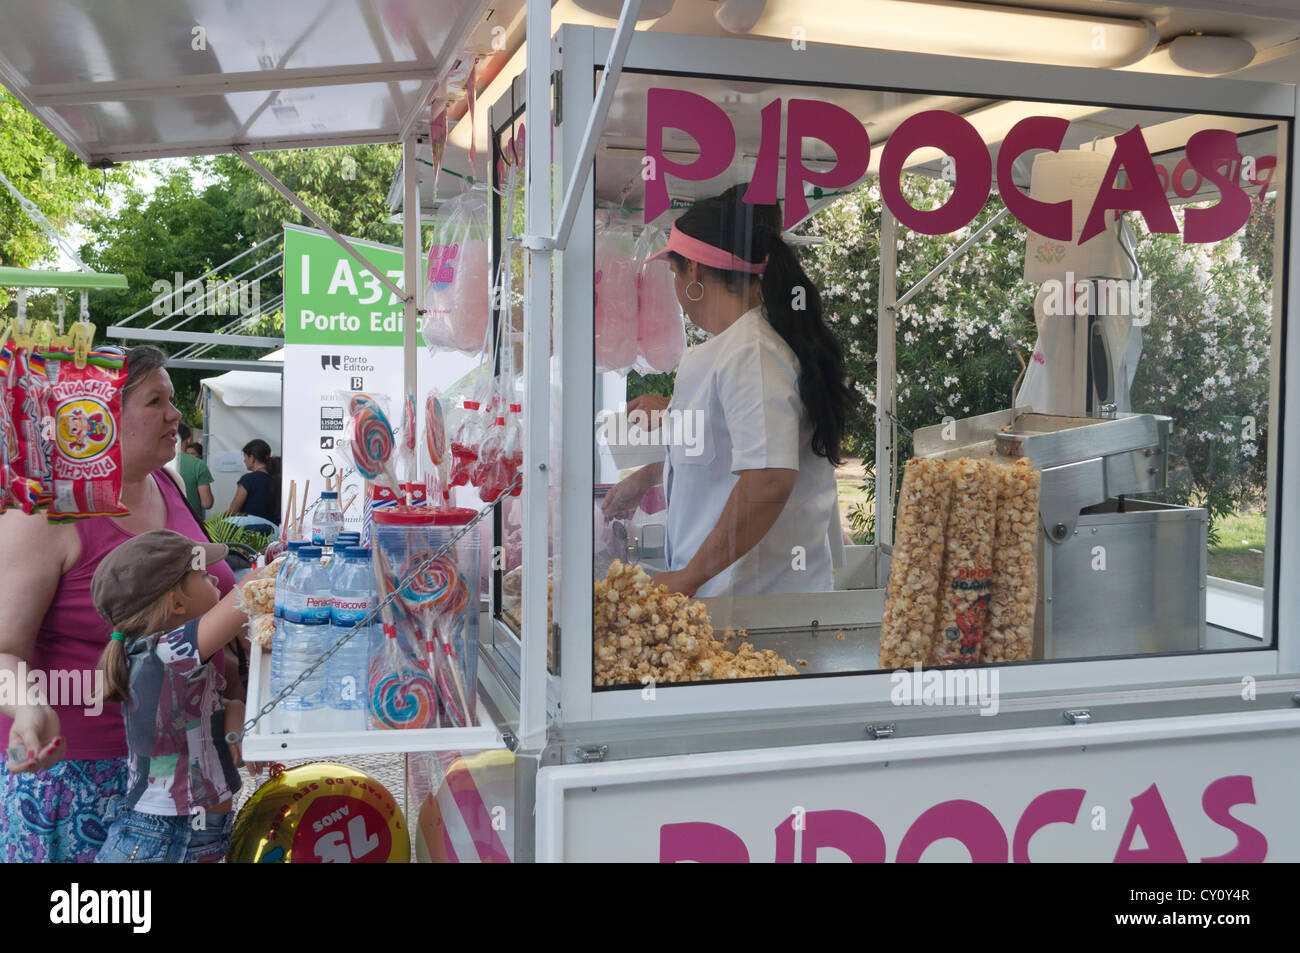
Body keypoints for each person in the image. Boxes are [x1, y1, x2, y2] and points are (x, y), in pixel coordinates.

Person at [0, 345, 245, 862]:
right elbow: (4, 649)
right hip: (77, 776)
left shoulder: (168, 482)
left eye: (172, 398)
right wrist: (25, 707)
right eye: (154, 401)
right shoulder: (45, 511)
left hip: (183, 773)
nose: (175, 416)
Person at [602, 184, 853, 597]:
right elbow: (726, 450)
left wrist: (690, 576)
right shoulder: (739, 348)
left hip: (755, 608)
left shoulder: (750, 352)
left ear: (695, 273)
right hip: (737, 605)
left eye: (674, 273)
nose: (678, 294)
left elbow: (769, 478)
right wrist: (650, 474)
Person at [90, 530, 255, 863]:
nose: (215, 579)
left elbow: (186, 717)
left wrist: (233, 710)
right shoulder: (168, 653)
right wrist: (285, 562)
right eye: (204, 575)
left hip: (181, 833)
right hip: (168, 837)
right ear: (177, 603)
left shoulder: (152, 657)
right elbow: (250, 594)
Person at [225, 438, 281, 527]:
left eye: (245, 457)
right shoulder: (277, 479)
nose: (244, 461)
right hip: (273, 531)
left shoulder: (248, 480)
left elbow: (233, 511)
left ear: (252, 458)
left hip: (251, 532)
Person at [175, 422, 214, 515]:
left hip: (162, 523)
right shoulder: (198, 465)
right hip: (191, 521)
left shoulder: (155, 463)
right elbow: (207, 503)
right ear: (188, 440)